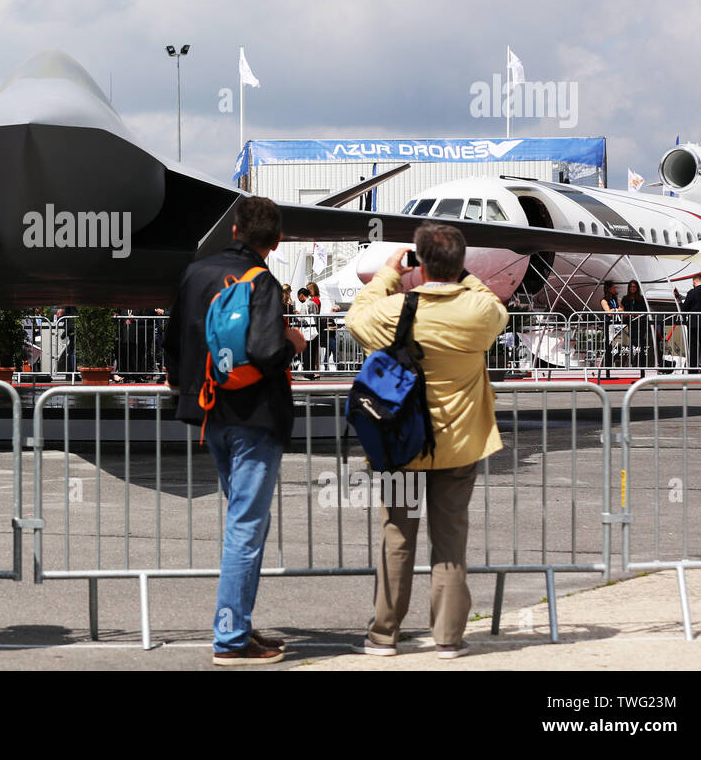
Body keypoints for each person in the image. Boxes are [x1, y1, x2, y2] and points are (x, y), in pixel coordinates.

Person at [345, 222, 508, 659]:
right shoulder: (477, 311)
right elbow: (496, 307)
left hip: (401, 444)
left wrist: (388, 275)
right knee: (450, 540)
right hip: (459, 444)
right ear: (459, 263)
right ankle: (449, 637)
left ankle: (384, 634)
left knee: (397, 536)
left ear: (419, 261)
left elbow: (355, 317)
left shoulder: (396, 309)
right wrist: (464, 275)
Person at [163, 196, 306, 666]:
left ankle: (239, 624)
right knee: (246, 527)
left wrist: (187, 393)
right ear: (276, 241)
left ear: (234, 230)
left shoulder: (195, 273)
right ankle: (230, 638)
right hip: (256, 419)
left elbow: (172, 343)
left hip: (209, 414)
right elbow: (266, 352)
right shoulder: (261, 281)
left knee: (245, 524)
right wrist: (294, 344)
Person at [621, 280, 653, 373]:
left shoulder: (641, 299)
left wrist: (635, 314)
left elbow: (645, 311)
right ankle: (632, 362)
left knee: (641, 344)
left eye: (634, 287)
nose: (632, 288)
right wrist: (626, 315)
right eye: (631, 287)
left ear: (637, 288)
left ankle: (640, 363)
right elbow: (623, 310)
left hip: (640, 324)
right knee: (632, 343)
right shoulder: (625, 298)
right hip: (629, 324)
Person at [296, 287, 320, 379]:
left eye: (299, 296)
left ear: (301, 295)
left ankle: (307, 374)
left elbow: (302, 319)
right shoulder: (313, 303)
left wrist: (297, 315)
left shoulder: (305, 305)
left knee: (306, 353)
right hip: (314, 330)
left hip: (307, 332)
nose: (299, 298)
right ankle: (312, 373)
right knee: (312, 353)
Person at [599, 281, 622, 374]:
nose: (615, 289)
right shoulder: (604, 300)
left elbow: (622, 309)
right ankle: (607, 369)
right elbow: (608, 312)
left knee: (617, 347)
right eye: (613, 288)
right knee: (608, 348)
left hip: (616, 325)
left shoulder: (616, 299)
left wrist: (615, 310)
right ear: (608, 289)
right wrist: (616, 310)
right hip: (608, 326)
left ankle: (610, 365)